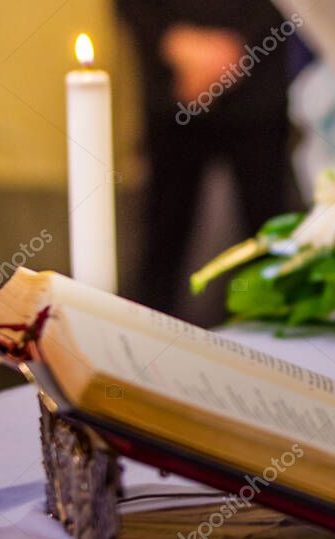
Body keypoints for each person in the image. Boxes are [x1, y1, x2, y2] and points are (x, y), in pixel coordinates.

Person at [116, 1, 295, 313]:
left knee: (269, 238)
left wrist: (234, 49)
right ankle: (139, 352)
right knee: (161, 243)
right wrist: (173, 41)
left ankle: (278, 350)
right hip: (174, 89)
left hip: (258, 89)